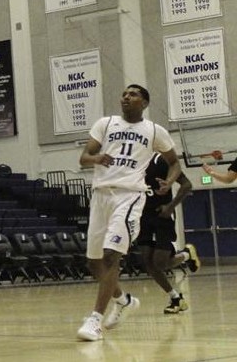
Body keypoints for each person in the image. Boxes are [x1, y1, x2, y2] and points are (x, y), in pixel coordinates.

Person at [76, 84, 181, 342]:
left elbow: (175, 163)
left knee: (112, 255)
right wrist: (97, 158)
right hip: (100, 195)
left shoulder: (155, 131)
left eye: (133, 94)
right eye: (124, 93)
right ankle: (123, 301)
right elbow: (84, 157)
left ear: (144, 102)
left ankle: (95, 320)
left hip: (129, 196)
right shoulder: (105, 123)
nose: (126, 97)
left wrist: (169, 181)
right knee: (94, 262)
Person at [136, 152, 199, 314]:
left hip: (162, 215)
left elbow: (187, 185)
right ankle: (175, 297)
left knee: (160, 262)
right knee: (147, 262)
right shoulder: (132, 161)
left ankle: (186, 254)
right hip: (142, 217)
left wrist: (170, 206)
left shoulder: (162, 160)